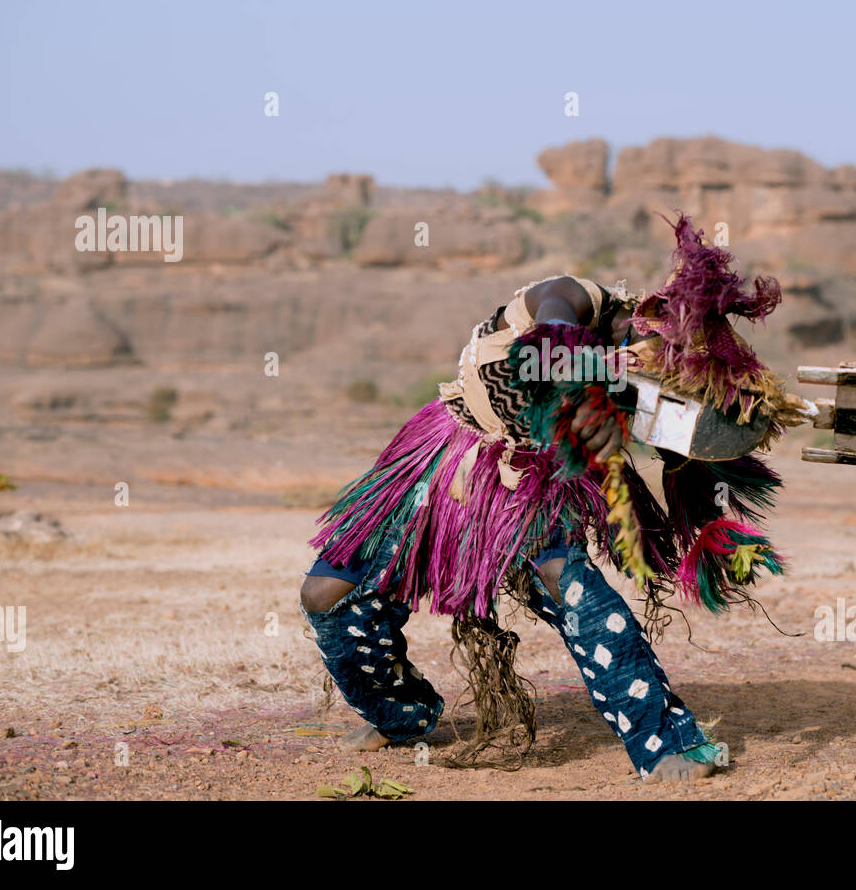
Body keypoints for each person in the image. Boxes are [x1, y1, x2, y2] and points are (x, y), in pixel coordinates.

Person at [300, 216, 808, 780]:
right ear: (638, 318)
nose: (644, 364)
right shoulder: (566, 294)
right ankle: (399, 716)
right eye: (644, 350)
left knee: (567, 585)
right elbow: (553, 343)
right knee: (327, 591)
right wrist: (599, 374)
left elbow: (684, 449)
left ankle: (664, 742)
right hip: (444, 455)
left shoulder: (638, 379)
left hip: (535, 476)